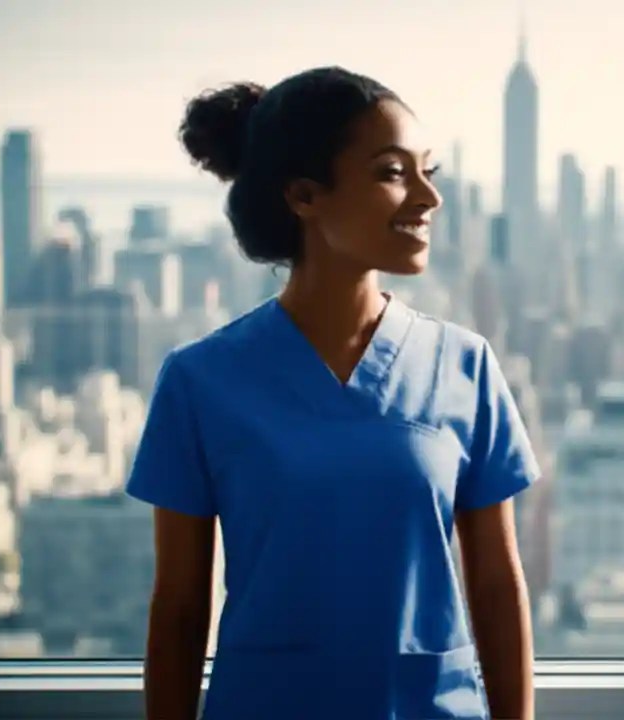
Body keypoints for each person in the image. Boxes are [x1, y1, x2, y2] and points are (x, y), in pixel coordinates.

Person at [126, 66, 541, 720]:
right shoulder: (200, 382)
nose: (429, 198)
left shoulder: (467, 366)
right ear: (303, 196)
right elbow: (179, 608)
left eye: (428, 170)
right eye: (392, 172)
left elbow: (495, 585)